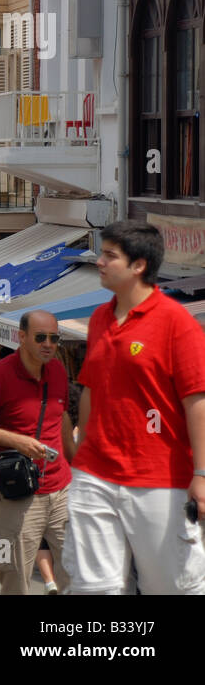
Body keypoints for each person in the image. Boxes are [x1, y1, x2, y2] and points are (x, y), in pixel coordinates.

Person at [65, 220, 205, 595]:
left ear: (138, 265)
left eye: (110, 255)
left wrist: (202, 473)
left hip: (159, 476)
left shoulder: (177, 322)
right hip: (95, 474)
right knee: (93, 588)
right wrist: (83, 452)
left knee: (172, 587)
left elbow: (197, 400)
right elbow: (90, 389)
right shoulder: (99, 318)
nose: (99, 262)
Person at [0, 310, 73, 595]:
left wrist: (76, 460)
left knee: (77, 572)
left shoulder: (58, 371)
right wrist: (17, 441)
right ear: (22, 337)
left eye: (54, 338)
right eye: (41, 337)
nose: (48, 344)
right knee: (13, 577)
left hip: (60, 489)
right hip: (15, 494)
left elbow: (61, 416)